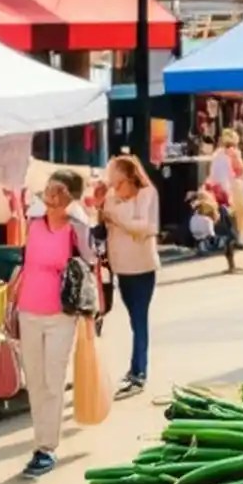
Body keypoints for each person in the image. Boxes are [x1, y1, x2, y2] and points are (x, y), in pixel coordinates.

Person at [14, 169, 96, 478]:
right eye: (49, 190)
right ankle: (41, 439)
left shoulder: (76, 229)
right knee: (34, 379)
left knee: (52, 378)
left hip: (61, 314)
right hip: (28, 310)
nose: (52, 197)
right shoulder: (34, 223)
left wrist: (79, 216)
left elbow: (90, 261)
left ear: (71, 197)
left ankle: (45, 447)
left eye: (59, 192)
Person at [100, 155, 160, 396]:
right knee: (133, 320)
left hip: (142, 267)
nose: (116, 189)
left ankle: (139, 372)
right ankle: (135, 368)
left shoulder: (147, 194)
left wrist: (116, 216)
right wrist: (119, 215)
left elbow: (143, 227)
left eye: (119, 183)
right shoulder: (111, 198)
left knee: (139, 319)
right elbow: (113, 217)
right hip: (120, 267)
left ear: (129, 178)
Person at [207, 128, 243, 270]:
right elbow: (242, 174)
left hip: (224, 194)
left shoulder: (217, 156)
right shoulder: (233, 154)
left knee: (229, 229)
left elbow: (213, 177)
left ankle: (232, 264)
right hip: (236, 193)